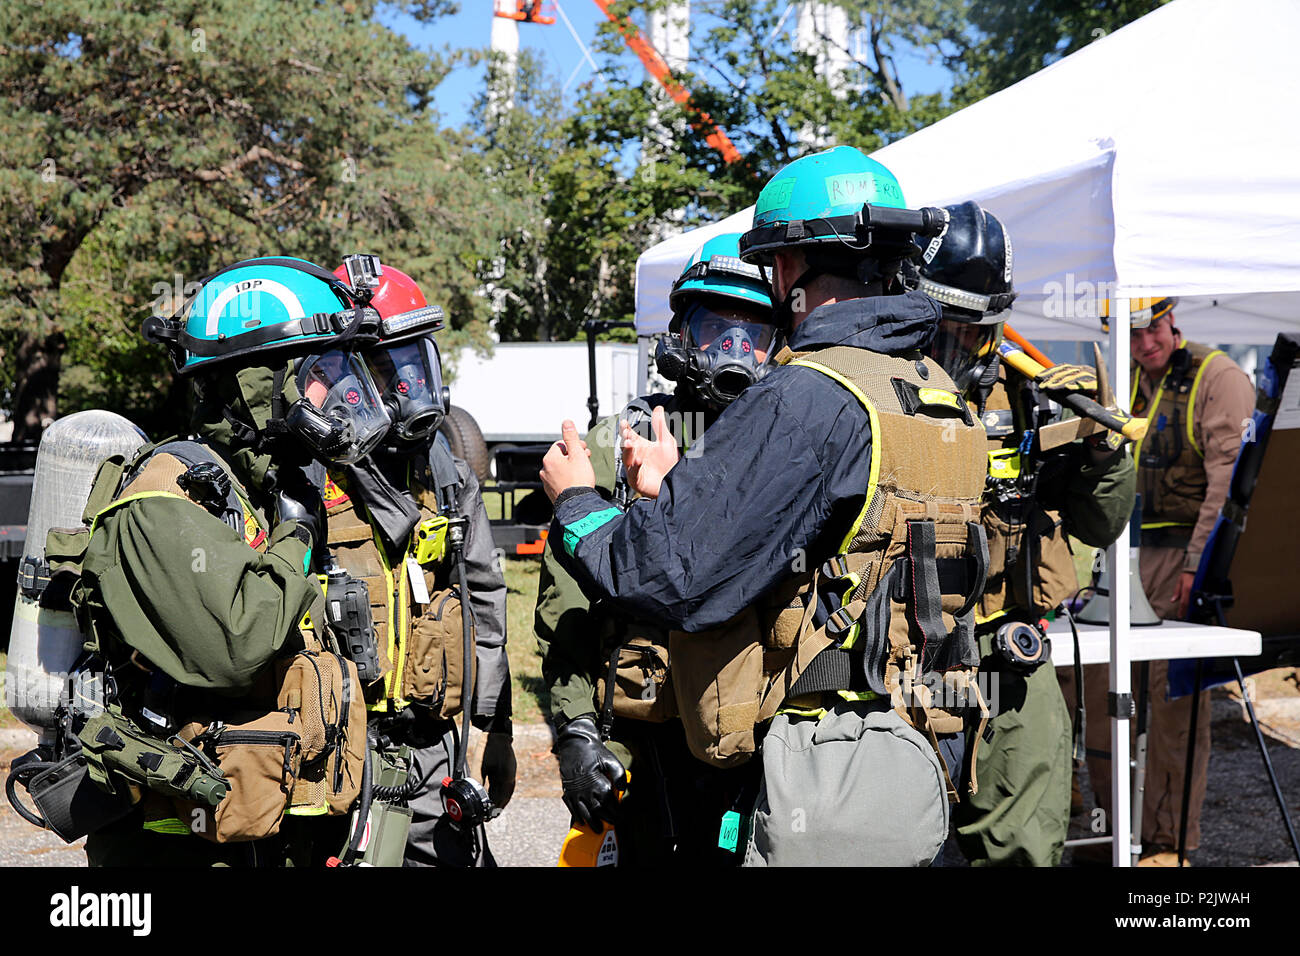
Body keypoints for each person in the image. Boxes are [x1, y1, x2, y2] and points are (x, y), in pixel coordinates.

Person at [540, 145, 990, 866]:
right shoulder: (937, 393)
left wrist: (580, 502)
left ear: (794, 266)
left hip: (812, 769)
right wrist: (679, 499)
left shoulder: (809, 393)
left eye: (774, 264)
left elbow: (665, 574)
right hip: (911, 757)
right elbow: (846, 548)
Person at [75, 256, 383, 865]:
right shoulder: (164, 497)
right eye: (319, 371)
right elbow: (241, 640)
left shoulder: (254, 489)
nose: (337, 391)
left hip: (259, 828)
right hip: (179, 840)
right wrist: (296, 533)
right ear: (258, 383)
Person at [534, 233, 776, 864]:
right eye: (713, 329)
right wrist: (575, 733)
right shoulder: (616, 445)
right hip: (642, 737)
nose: (734, 350)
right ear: (677, 339)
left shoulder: (791, 451)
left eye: (754, 333)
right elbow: (567, 615)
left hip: (751, 740)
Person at [916, 202, 1135, 866]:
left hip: (1008, 652)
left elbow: (1102, 522)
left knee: (1022, 848)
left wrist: (1100, 454)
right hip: (897, 649)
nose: (962, 351)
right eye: (947, 330)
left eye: (978, 334)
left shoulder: (1028, 395)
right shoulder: (875, 392)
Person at [325, 259, 514, 867]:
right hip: (337, 745)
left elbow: (484, 599)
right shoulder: (302, 474)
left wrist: (494, 729)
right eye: (389, 366)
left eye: (415, 361)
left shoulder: (441, 466)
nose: (409, 384)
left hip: (431, 741)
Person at [1080, 296, 1254, 865]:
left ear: (1171, 319)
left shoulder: (1217, 376)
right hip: (1120, 555)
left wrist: (1194, 568)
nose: (1142, 344)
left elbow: (1225, 485)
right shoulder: (1119, 377)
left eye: (1149, 328)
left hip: (1180, 553)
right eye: (1129, 335)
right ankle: (1111, 830)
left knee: (1174, 704)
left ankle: (1165, 844)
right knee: (1104, 694)